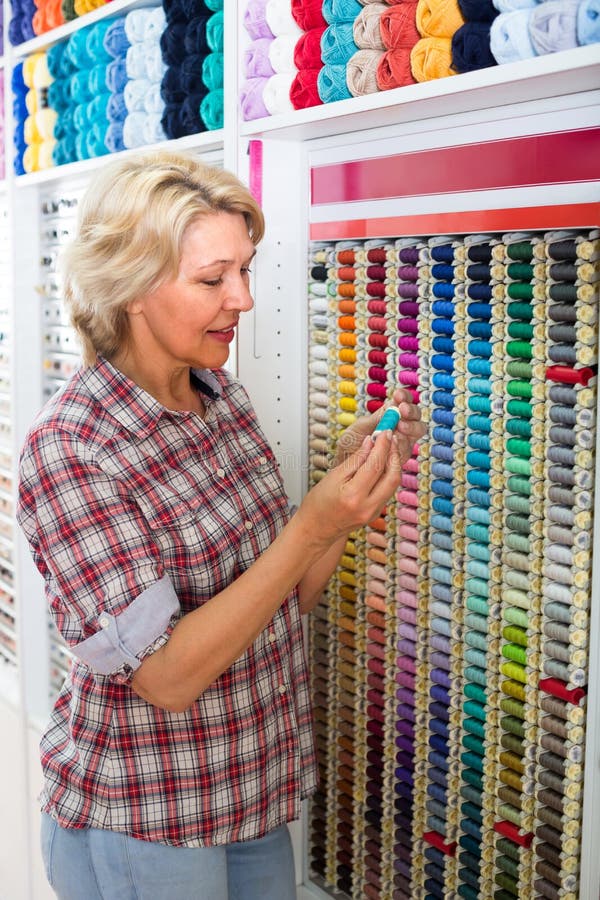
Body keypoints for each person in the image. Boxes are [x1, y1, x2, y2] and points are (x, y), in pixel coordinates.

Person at [16, 150, 425, 900]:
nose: (242, 299)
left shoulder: (220, 398)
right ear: (131, 287)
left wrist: (341, 501)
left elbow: (279, 601)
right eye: (212, 279)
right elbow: (167, 678)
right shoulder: (73, 449)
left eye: (245, 270)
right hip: (146, 816)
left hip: (248, 791)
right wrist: (310, 523)